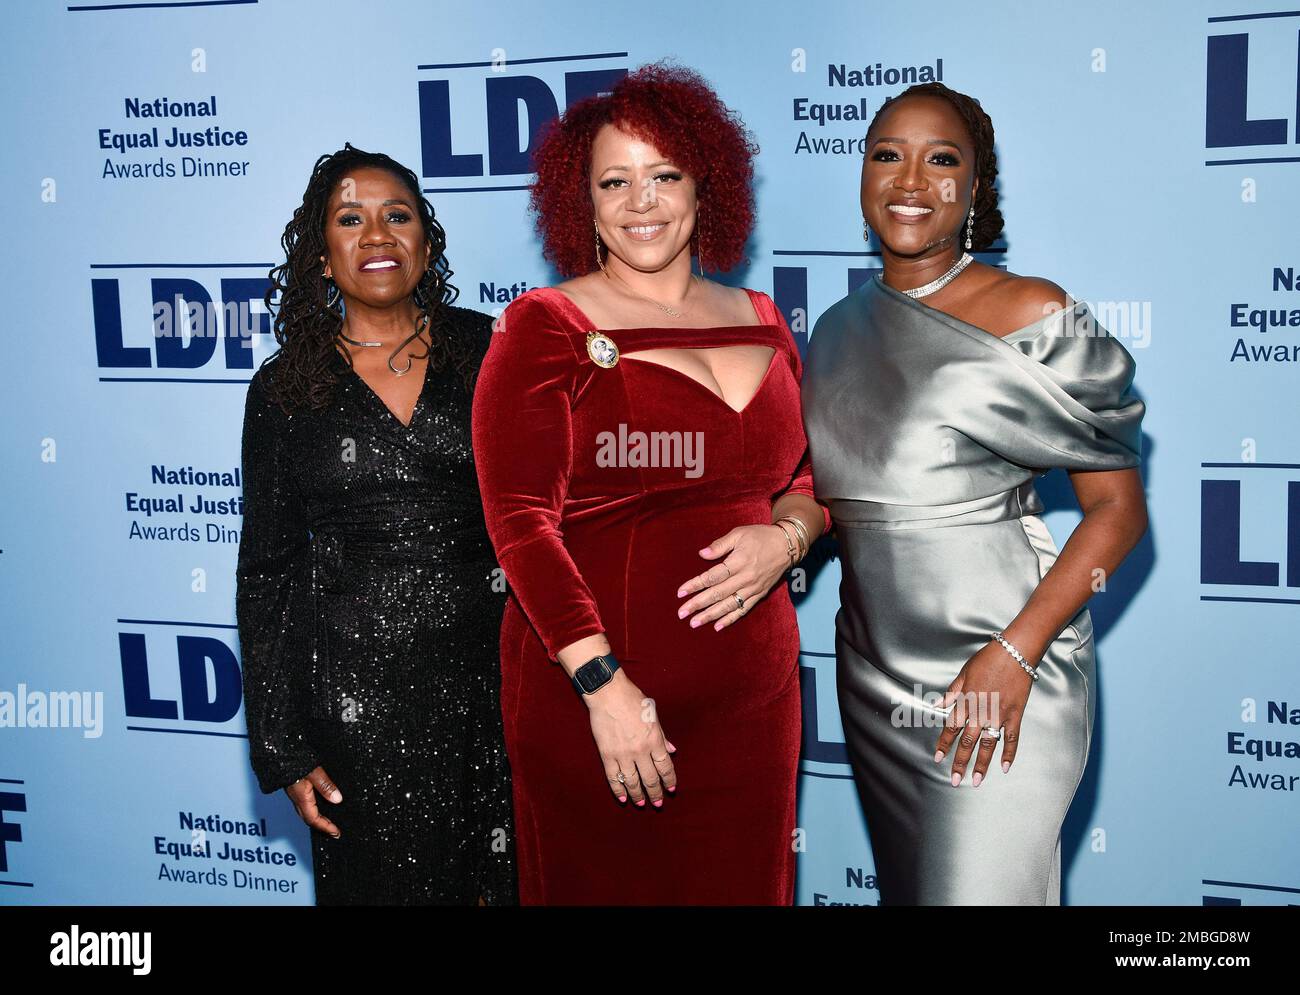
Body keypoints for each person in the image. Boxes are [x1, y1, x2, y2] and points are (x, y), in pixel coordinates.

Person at [471, 64, 829, 905]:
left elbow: (809, 479)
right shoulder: (546, 325)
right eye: (615, 180)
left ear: (706, 186)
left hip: (754, 711)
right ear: (581, 201)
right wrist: (604, 687)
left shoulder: (765, 319)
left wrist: (789, 537)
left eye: (664, 175)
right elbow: (521, 522)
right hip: (601, 712)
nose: (643, 201)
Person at [801, 82, 1148, 905]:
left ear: (977, 189)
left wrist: (1017, 651)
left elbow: (1119, 511)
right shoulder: (833, 330)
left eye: (942, 160)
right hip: (876, 679)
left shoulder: (1034, 309)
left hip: (1001, 668)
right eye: (888, 154)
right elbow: (847, 498)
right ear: (861, 175)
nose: (912, 180)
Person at [235, 143, 515, 905]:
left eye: (398, 216)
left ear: (426, 240)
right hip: (356, 710)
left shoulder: (492, 350)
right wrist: (284, 745)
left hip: (497, 688)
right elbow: (268, 571)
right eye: (350, 220)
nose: (378, 236)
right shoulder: (285, 386)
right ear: (322, 257)